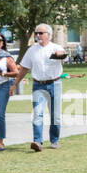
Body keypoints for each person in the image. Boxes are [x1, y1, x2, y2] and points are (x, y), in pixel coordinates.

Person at [13, 23, 67, 151]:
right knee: (37, 113)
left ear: (49, 35)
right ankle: (37, 141)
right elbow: (24, 68)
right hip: (38, 85)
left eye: (40, 33)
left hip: (55, 84)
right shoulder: (32, 50)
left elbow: (64, 57)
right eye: (36, 33)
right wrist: (15, 84)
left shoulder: (56, 47)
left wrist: (61, 54)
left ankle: (54, 140)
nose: (38, 35)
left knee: (55, 115)